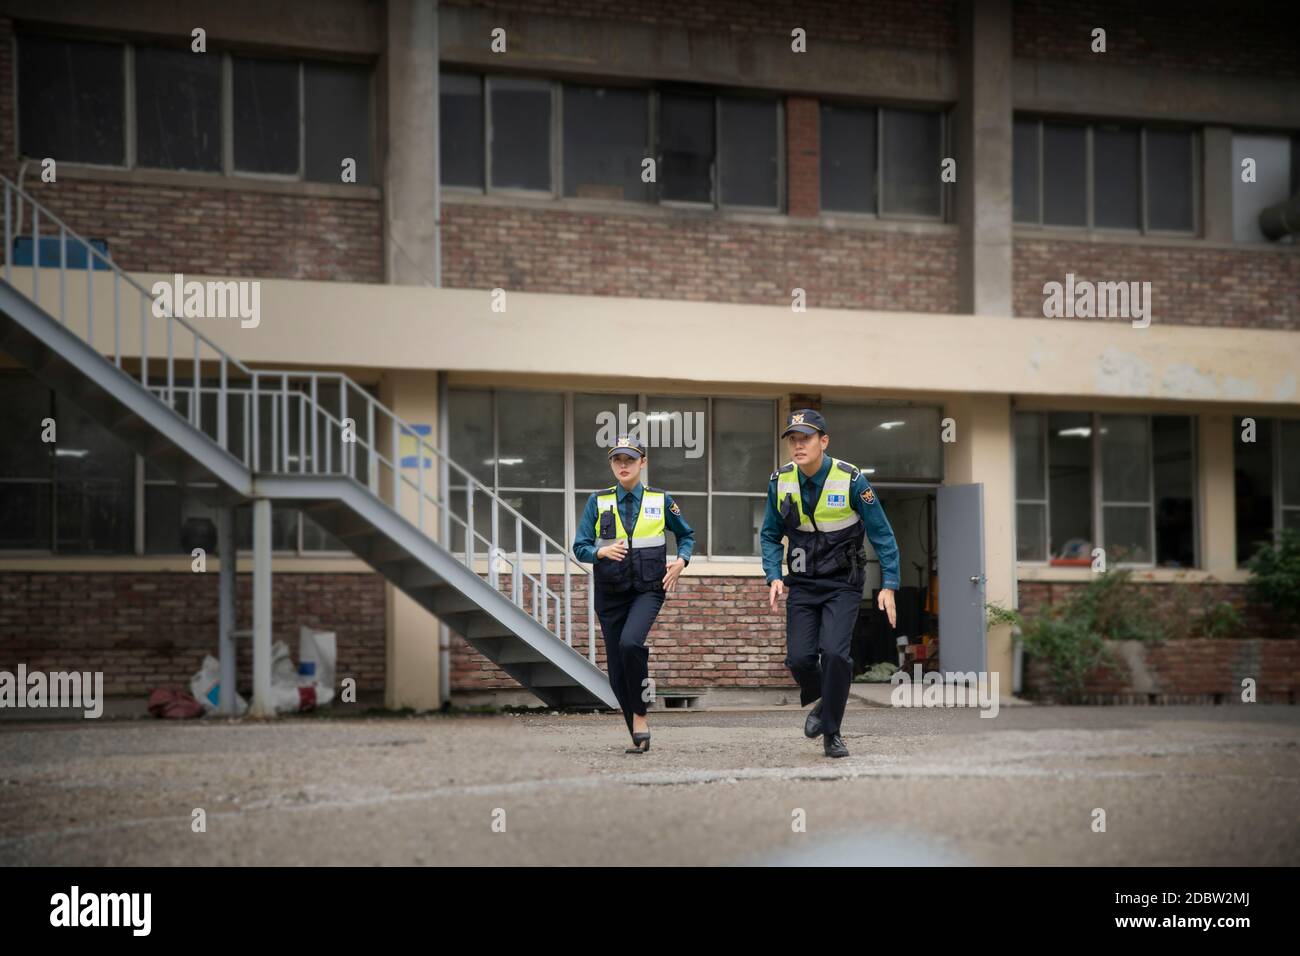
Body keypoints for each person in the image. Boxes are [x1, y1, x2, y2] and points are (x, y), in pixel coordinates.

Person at [761, 409, 900, 758]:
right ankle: (825, 700)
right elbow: (770, 535)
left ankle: (832, 733)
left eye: (805, 438)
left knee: (836, 655)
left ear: (823, 441)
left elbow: (882, 534)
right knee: (799, 659)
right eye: (793, 439)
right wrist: (773, 575)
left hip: (843, 583)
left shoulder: (851, 480)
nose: (798, 445)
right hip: (804, 583)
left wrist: (890, 583)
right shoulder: (780, 481)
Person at [573, 435, 694, 753]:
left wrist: (681, 561)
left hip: (647, 590)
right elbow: (580, 547)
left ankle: (640, 714)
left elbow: (686, 535)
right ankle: (637, 735)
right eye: (617, 460)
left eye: (629, 459)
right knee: (615, 672)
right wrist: (600, 553)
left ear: (643, 462)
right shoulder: (597, 502)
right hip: (610, 593)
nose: (623, 465)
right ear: (612, 464)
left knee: (631, 644)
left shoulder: (660, 500)